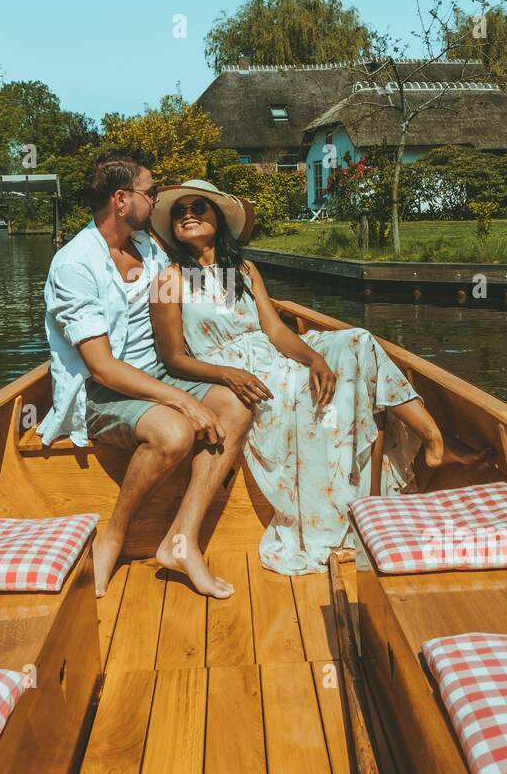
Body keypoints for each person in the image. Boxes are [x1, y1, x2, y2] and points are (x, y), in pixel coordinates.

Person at [149, 180, 484, 575]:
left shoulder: (243, 269)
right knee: (334, 394)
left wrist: (314, 359)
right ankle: (367, 498)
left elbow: (275, 330)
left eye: (198, 207)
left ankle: (433, 439)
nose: (187, 214)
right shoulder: (169, 280)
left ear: (218, 219)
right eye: (178, 211)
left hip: (273, 356)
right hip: (231, 373)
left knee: (358, 342)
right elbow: (173, 358)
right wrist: (227, 374)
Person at [38, 152, 251, 599]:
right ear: (121, 199)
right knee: (175, 431)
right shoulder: (75, 264)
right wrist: (184, 400)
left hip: (157, 374)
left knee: (234, 403)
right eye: (150, 192)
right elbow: (101, 366)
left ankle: (181, 539)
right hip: (100, 391)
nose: (156, 201)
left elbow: (202, 273)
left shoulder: (148, 246)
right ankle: (114, 535)